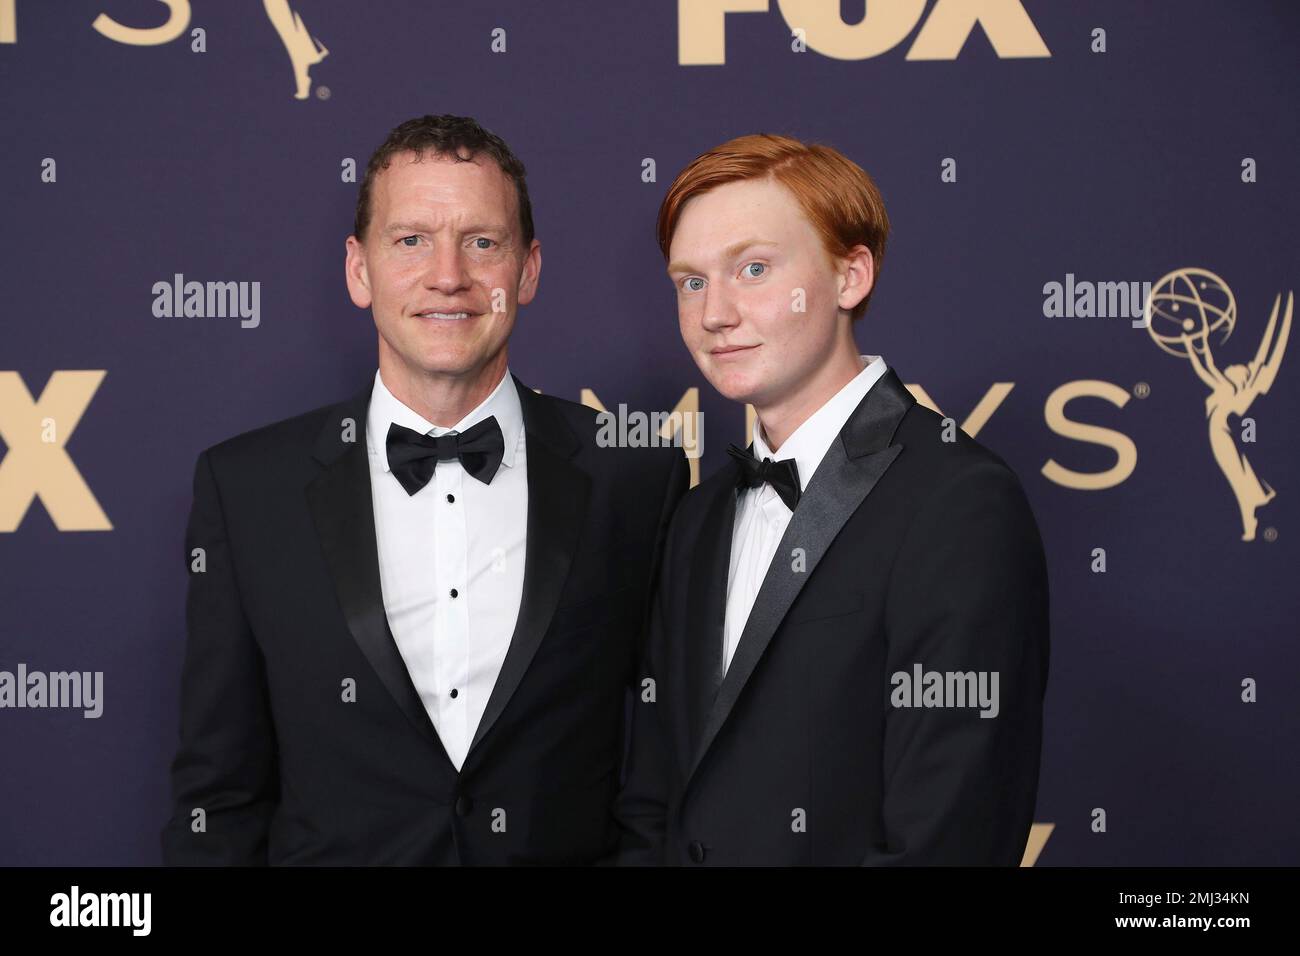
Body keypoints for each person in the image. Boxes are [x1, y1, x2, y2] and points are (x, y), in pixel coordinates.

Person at [161, 114, 688, 865]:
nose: (449, 275)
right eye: (411, 241)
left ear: (527, 271)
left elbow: (659, 767)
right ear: (358, 269)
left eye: (482, 242)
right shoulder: (247, 489)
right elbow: (220, 796)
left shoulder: (634, 475)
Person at [615, 133, 1050, 865]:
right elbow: (655, 795)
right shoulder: (697, 515)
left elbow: (953, 835)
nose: (714, 312)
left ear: (850, 276)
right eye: (690, 282)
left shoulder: (959, 501)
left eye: (752, 269)